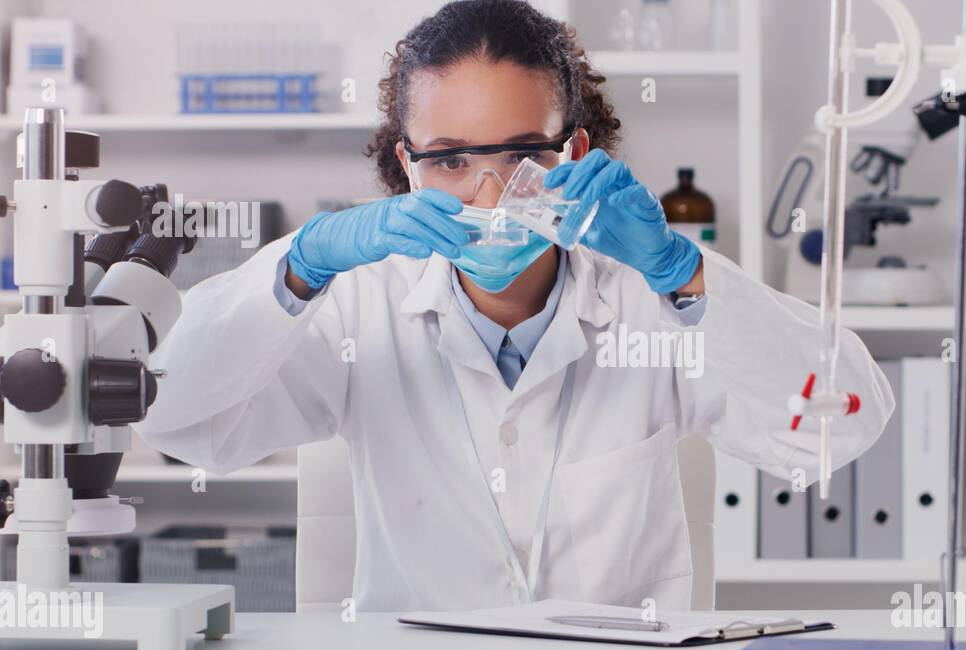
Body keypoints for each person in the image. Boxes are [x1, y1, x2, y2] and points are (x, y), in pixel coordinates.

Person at [138, 0, 894, 611]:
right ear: (406, 163)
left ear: (577, 152)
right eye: (452, 160)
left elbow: (843, 425)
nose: (492, 197)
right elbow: (178, 420)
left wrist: (680, 272)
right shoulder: (359, 308)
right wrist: (298, 267)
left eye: (524, 155)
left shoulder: (651, 300)